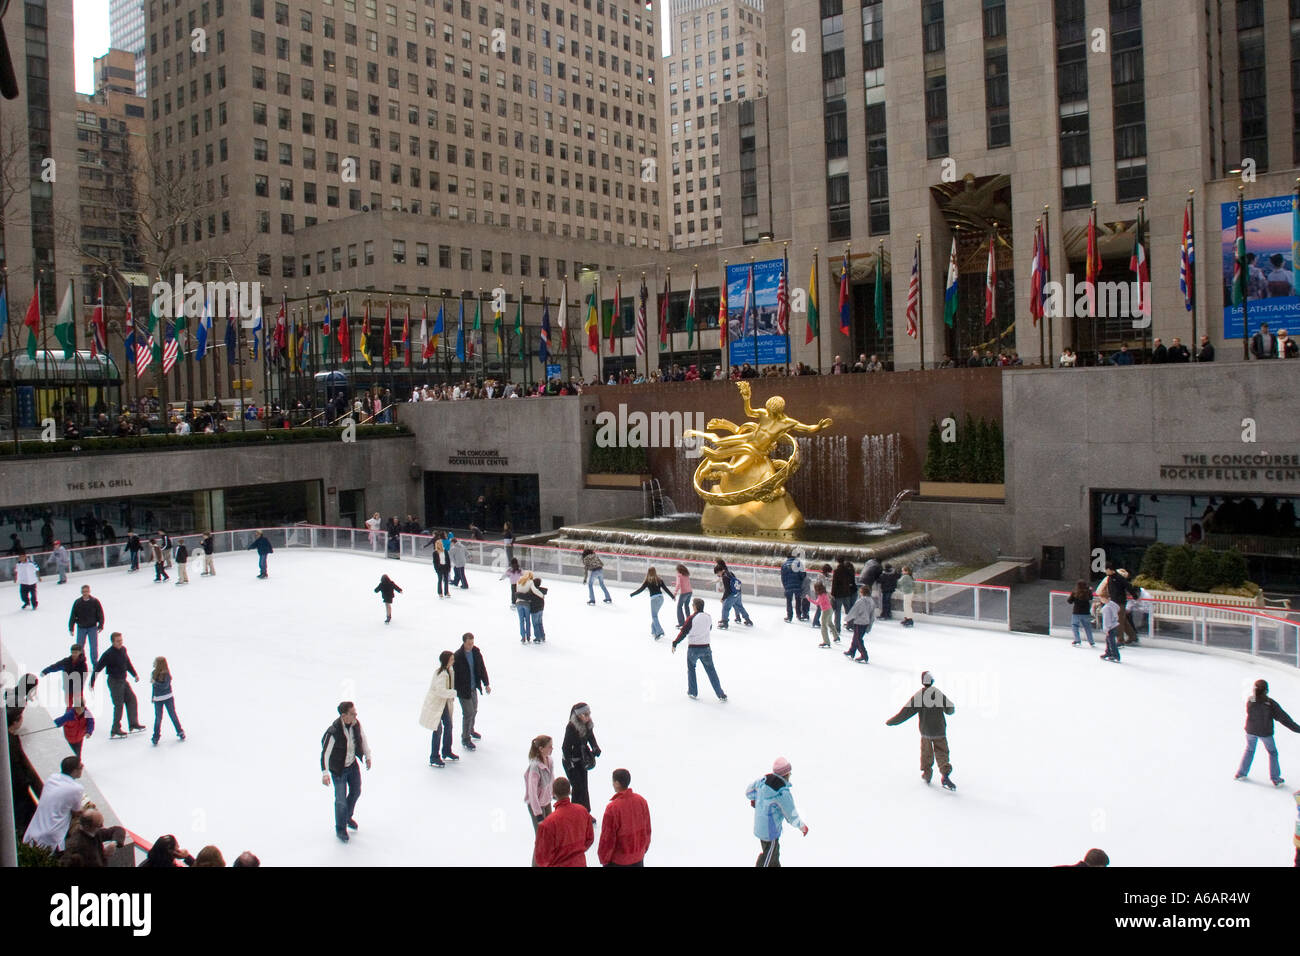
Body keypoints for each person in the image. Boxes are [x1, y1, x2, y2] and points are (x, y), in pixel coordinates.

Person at [885, 671, 957, 790]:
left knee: (926, 753)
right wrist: (950, 709)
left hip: (926, 731)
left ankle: (927, 773)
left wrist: (893, 721)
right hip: (939, 730)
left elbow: (906, 712)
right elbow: (950, 709)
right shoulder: (937, 693)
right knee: (942, 752)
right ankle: (945, 774)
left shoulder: (920, 695)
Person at [320, 701, 372, 842]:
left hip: (352, 765)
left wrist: (367, 756)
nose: (356, 715)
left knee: (356, 791)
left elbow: (363, 739)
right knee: (341, 800)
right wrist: (325, 773)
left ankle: (347, 816)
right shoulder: (334, 731)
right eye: (352, 713)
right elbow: (325, 753)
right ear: (344, 715)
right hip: (339, 770)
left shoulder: (356, 724)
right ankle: (341, 828)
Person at [1235, 679, 1300, 786]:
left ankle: (1241, 773)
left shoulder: (1251, 700)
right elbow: (1284, 719)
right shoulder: (1270, 704)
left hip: (1250, 731)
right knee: (1272, 752)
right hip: (1265, 733)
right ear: (1266, 691)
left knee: (1249, 750)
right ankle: (1275, 778)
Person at [746, 757, 808, 868]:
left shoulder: (763, 780)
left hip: (761, 827)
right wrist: (801, 826)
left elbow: (749, 792)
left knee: (774, 856)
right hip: (770, 832)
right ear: (786, 774)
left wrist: (755, 799)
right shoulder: (782, 793)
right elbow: (791, 815)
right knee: (768, 858)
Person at [23, 755, 86, 852]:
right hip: (52, 834)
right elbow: (76, 811)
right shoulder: (76, 789)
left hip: (34, 830)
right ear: (74, 771)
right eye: (80, 766)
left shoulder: (52, 778)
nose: (82, 767)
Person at [672, 597, 728, 701]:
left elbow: (683, 632)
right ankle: (721, 694)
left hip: (693, 648)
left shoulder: (691, 618)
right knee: (711, 671)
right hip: (706, 648)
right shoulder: (708, 617)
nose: (692, 606)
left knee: (691, 669)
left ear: (696, 607)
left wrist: (675, 642)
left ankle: (693, 692)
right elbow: (709, 628)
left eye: (693, 605)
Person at [90, 632, 144, 738]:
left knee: (132, 699)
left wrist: (134, 674)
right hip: (114, 681)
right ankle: (115, 728)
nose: (120, 643)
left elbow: (127, 663)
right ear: (113, 642)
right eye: (118, 641)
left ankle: (133, 723)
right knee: (119, 705)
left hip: (123, 680)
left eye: (121, 640)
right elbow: (98, 668)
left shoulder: (123, 650)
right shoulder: (108, 654)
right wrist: (92, 682)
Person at [534, 777, 594, 867]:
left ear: (553, 793)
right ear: (570, 791)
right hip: (579, 863)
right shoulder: (582, 812)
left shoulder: (548, 824)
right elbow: (589, 838)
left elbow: (541, 856)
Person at [598, 768, 652, 867]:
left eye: (613, 781)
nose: (612, 784)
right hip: (638, 857)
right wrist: (643, 849)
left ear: (617, 783)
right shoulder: (641, 801)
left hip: (619, 860)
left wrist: (604, 858)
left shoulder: (613, 808)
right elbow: (647, 829)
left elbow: (607, 838)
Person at [419, 652, 459, 768]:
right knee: (438, 729)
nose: (453, 661)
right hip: (436, 705)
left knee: (449, 725)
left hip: (443, 703)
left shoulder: (449, 671)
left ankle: (446, 750)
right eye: (451, 659)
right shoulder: (442, 674)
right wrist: (453, 693)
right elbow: (440, 691)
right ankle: (434, 757)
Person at [8, 707, 42, 838]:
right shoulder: (11, 742)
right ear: (15, 722)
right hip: (19, 791)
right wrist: (26, 782)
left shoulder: (11, 739)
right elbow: (18, 767)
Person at [453, 633, 490, 750]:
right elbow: (454, 675)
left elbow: (482, 667)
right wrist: (454, 691)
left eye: (472, 643)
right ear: (464, 642)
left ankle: (470, 730)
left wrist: (486, 683)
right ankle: (465, 738)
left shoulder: (475, 652)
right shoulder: (458, 656)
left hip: (473, 688)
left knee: (474, 710)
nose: (471, 645)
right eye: (469, 643)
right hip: (463, 690)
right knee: (468, 713)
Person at [561, 702, 601, 810]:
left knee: (584, 786)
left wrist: (595, 747)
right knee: (577, 788)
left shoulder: (587, 725)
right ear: (579, 715)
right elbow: (565, 747)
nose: (588, 717)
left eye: (589, 714)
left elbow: (591, 737)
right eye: (585, 714)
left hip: (582, 760)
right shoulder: (571, 727)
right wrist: (570, 764)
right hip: (572, 761)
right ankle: (575, 812)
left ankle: (585, 811)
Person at [61, 809, 127, 868]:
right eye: (99, 825)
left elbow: (118, 829)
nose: (102, 826)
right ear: (87, 826)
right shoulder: (75, 845)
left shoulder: (95, 832)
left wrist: (114, 843)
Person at [524, 734, 555, 853]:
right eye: (549, 746)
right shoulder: (535, 767)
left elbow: (551, 778)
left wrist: (554, 792)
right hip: (536, 806)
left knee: (549, 836)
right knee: (541, 839)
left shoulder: (549, 760)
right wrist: (538, 814)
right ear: (541, 749)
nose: (552, 748)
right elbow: (532, 794)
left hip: (546, 802)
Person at [629, 567, 674, 640]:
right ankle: (653, 631)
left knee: (654, 616)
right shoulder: (659, 580)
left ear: (648, 572)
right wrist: (672, 596)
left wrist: (632, 594)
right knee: (655, 615)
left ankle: (659, 631)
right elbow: (666, 589)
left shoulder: (648, 581)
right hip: (661, 599)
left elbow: (640, 590)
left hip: (654, 600)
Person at [149, 656, 185, 745]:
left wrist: (155, 683)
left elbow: (164, 686)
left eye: (156, 662)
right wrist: (153, 697)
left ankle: (180, 731)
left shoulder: (166, 674)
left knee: (172, 715)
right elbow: (154, 688)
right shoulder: (153, 673)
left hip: (168, 697)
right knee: (158, 718)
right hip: (158, 699)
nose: (154, 664)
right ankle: (156, 736)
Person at [68, 584, 105, 664]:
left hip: (92, 627)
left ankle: (95, 662)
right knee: (80, 646)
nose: (85, 593)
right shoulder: (77, 602)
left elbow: (100, 614)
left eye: (86, 591)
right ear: (81, 592)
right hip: (81, 627)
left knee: (93, 646)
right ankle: (82, 662)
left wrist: (101, 625)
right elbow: (73, 615)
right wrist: (71, 627)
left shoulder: (95, 602)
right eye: (83, 591)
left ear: (89, 591)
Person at [714, 559, 752, 629]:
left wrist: (723, 598)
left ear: (720, 571)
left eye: (717, 574)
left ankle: (724, 623)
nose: (718, 576)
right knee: (740, 607)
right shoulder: (729, 573)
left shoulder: (724, 577)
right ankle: (748, 620)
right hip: (738, 592)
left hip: (732, 595)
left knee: (725, 608)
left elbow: (727, 590)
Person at [843, 584, 876, 662]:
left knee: (858, 639)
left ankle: (864, 655)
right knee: (856, 637)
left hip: (859, 622)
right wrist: (870, 625)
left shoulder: (860, 601)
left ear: (862, 592)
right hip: (866, 623)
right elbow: (872, 615)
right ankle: (851, 651)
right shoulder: (871, 601)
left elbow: (854, 611)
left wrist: (847, 618)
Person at [1065, 580, 1097, 647]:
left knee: (1075, 626)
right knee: (1087, 628)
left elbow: (1069, 601)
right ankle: (1091, 641)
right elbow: (1091, 598)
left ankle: (1077, 640)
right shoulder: (1088, 592)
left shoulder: (1075, 593)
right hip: (1086, 613)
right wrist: (1090, 590)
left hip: (1076, 613)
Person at [830, 556, 857, 633]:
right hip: (847, 593)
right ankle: (850, 625)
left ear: (837, 562)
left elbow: (834, 584)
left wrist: (833, 594)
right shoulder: (848, 570)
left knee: (837, 612)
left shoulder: (837, 571)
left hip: (838, 594)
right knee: (848, 610)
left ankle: (837, 629)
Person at [520, 572, 548, 643]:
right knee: (540, 623)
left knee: (535, 624)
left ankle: (537, 638)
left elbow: (526, 596)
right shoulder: (541, 591)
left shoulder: (532, 591)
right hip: (541, 609)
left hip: (535, 610)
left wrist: (517, 594)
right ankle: (542, 636)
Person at [780, 552, 808, 623]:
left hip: (788, 586)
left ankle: (789, 617)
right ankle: (799, 615)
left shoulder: (784, 565)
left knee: (789, 601)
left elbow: (783, 577)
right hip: (798, 586)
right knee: (798, 600)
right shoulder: (799, 564)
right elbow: (803, 575)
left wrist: (785, 586)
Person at [811, 581, 837, 647]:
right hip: (830, 609)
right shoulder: (825, 593)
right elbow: (831, 597)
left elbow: (817, 603)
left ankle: (826, 641)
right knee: (830, 623)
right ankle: (836, 636)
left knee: (823, 626)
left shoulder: (821, 596)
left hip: (826, 611)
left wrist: (809, 599)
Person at [1099, 596, 1122, 662]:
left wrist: (1106, 629)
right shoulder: (1112, 604)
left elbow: (1107, 620)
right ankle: (1108, 652)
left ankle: (1115, 656)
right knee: (1108, 640)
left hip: (1110, 627)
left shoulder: (1106, 608)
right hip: (1114, 625)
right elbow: (1118, 608)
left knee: (1111, 642)